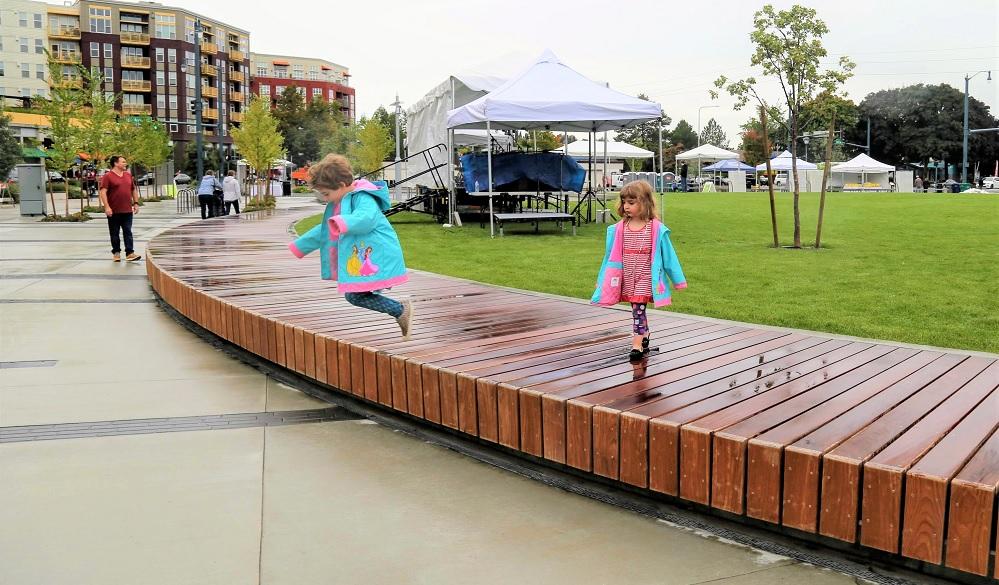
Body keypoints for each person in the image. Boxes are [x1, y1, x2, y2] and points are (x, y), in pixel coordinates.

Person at [288, 154, 414, 339]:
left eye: (326, 194)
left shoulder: (362, 197)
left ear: (340, 185)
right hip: (365, 256)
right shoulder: (341, 202)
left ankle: (400, 310)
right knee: (355, 295)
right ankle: (400, 311)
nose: (326, 199)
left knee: (354, 295)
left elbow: (366, 219)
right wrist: (300, 246)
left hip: (379, 252)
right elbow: (327, 230)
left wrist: (343, 222)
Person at [591, 180, 686, 361]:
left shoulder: (656, 228)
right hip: (626, 276)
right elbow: (609, 257)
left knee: (638, 308)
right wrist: (602, 279)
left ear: (645, 202)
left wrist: (678, 280)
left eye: (631, 202)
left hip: (646, 276)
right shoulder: (619, 228)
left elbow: (669, 256)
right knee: (637, 307)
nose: (626, 206)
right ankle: (645, 333)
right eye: (624, 202)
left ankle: (636, 345)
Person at [98, 155, 141, 262]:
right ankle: (116, 253)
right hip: (113, 211)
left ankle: (130, 253)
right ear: (116, 163)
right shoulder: (108, 176)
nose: (125, 164)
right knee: (114, 233)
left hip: (127, 210)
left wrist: (136, 203)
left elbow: (133, 190)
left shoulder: (128, 175)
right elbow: (103, 192)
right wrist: (107, 207)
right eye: (123, 162)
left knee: (128, 231)